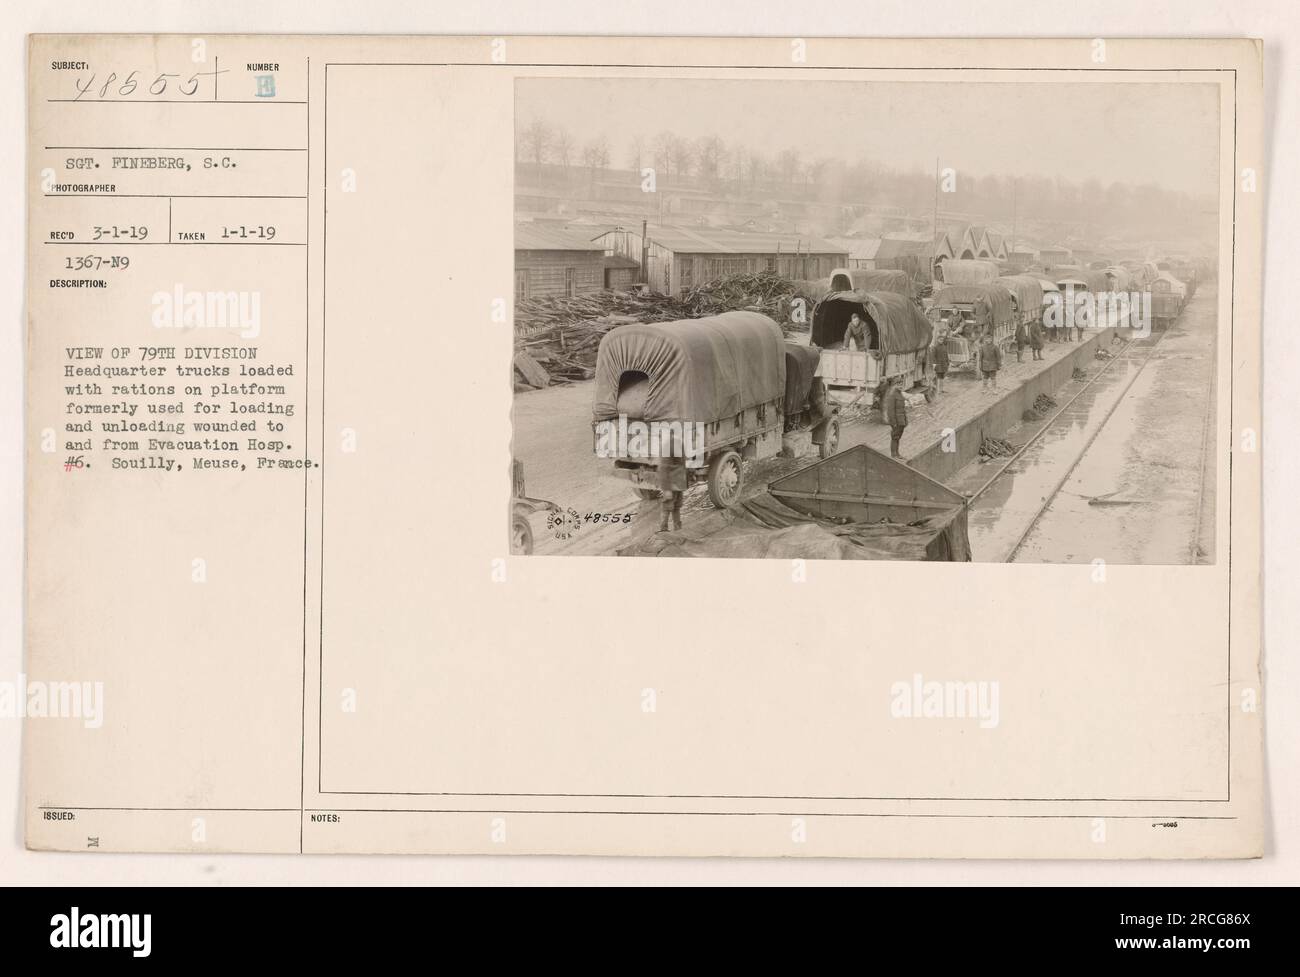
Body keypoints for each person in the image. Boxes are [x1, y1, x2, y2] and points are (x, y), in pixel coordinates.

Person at [655, 454, 687, 532]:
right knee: (667, 506)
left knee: (677, 505)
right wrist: (666, 489)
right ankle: (663, 529)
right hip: (670, 482)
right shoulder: (668, 448)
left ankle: (678, 528)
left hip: (679, 481)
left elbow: (682, 462)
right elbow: (663, 469)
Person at [881, 375, 908, 459]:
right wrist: (893, 422)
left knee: (898, 437)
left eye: (901, 384)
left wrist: (905, 420)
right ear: (895, 385)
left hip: (901, 421)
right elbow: (890, 411)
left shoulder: (900, 394)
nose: (900, 386)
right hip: (896, 421)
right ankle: (894, 455)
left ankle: (897, 453)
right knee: (895, 437)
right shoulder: (893, 395)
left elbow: (903, 409)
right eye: (898, 384)